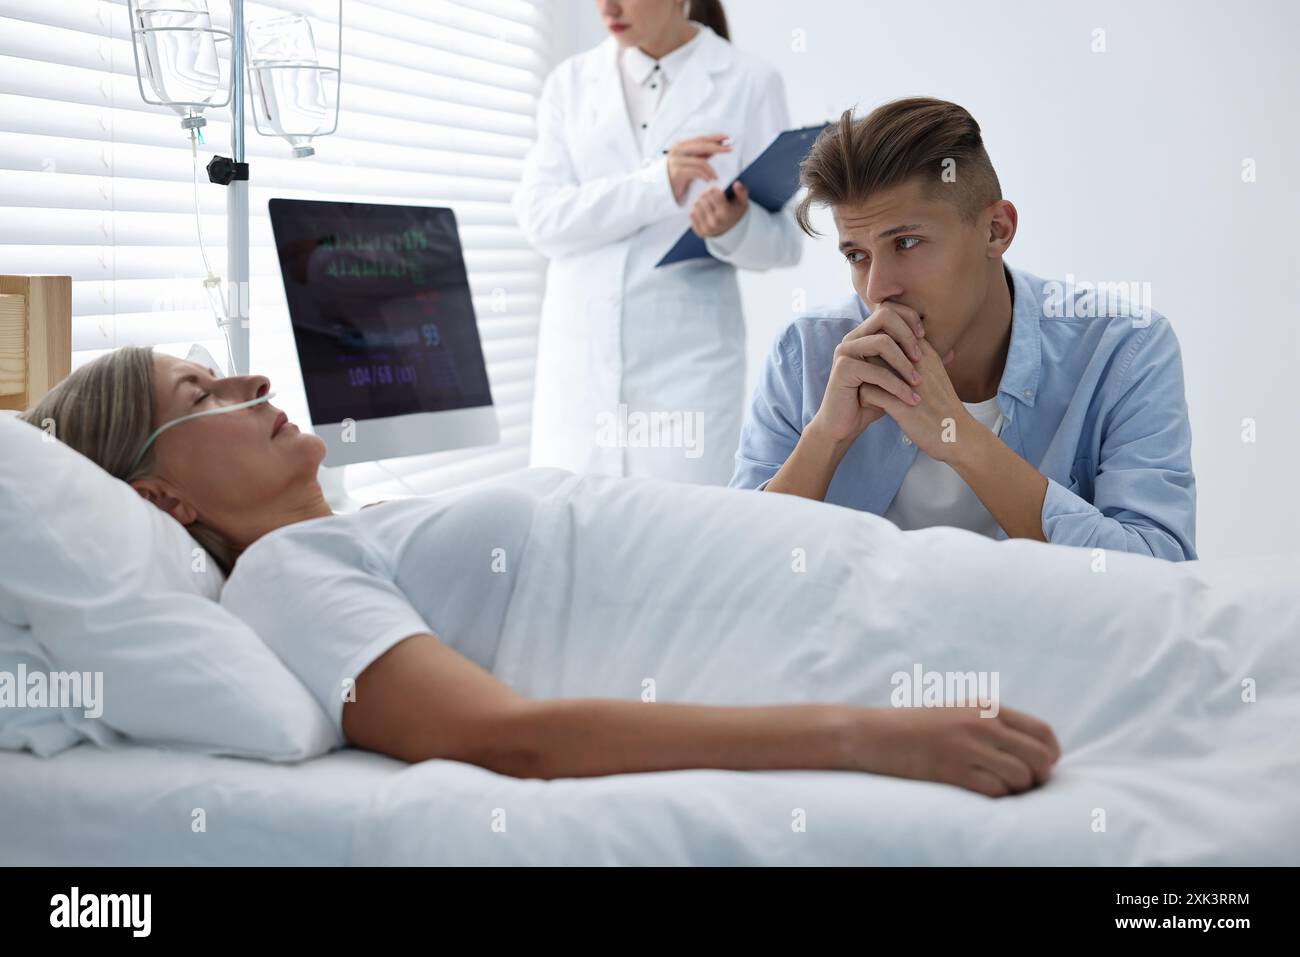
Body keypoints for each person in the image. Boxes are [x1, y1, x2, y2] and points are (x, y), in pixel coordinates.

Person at [20, 347, 1060, 797]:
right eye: (202, 393)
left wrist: (825, 441)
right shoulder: (285, 578)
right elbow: (505, 739)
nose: (250, 379)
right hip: (871, 633)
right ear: (163, 499)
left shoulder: (358, 532)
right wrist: (876, 738)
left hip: (873, 577)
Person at [730, 98, 1197, 560]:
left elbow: (1159, 570)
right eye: (857, 255)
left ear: (996, 230)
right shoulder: (805, 354)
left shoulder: (1123, 349)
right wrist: (825, 438)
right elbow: (736, 572)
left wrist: (961, 439)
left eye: (906, 242)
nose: (877, 289)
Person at [513, 0, 803, 484]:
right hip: (580, 369)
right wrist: (656, 184)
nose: (607, 6)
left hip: (687, 373)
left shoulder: (749, 81)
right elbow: (541, 218)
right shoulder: (570, 82)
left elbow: (785, 244)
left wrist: (734, 226)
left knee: (683, 524)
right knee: (565, 517)